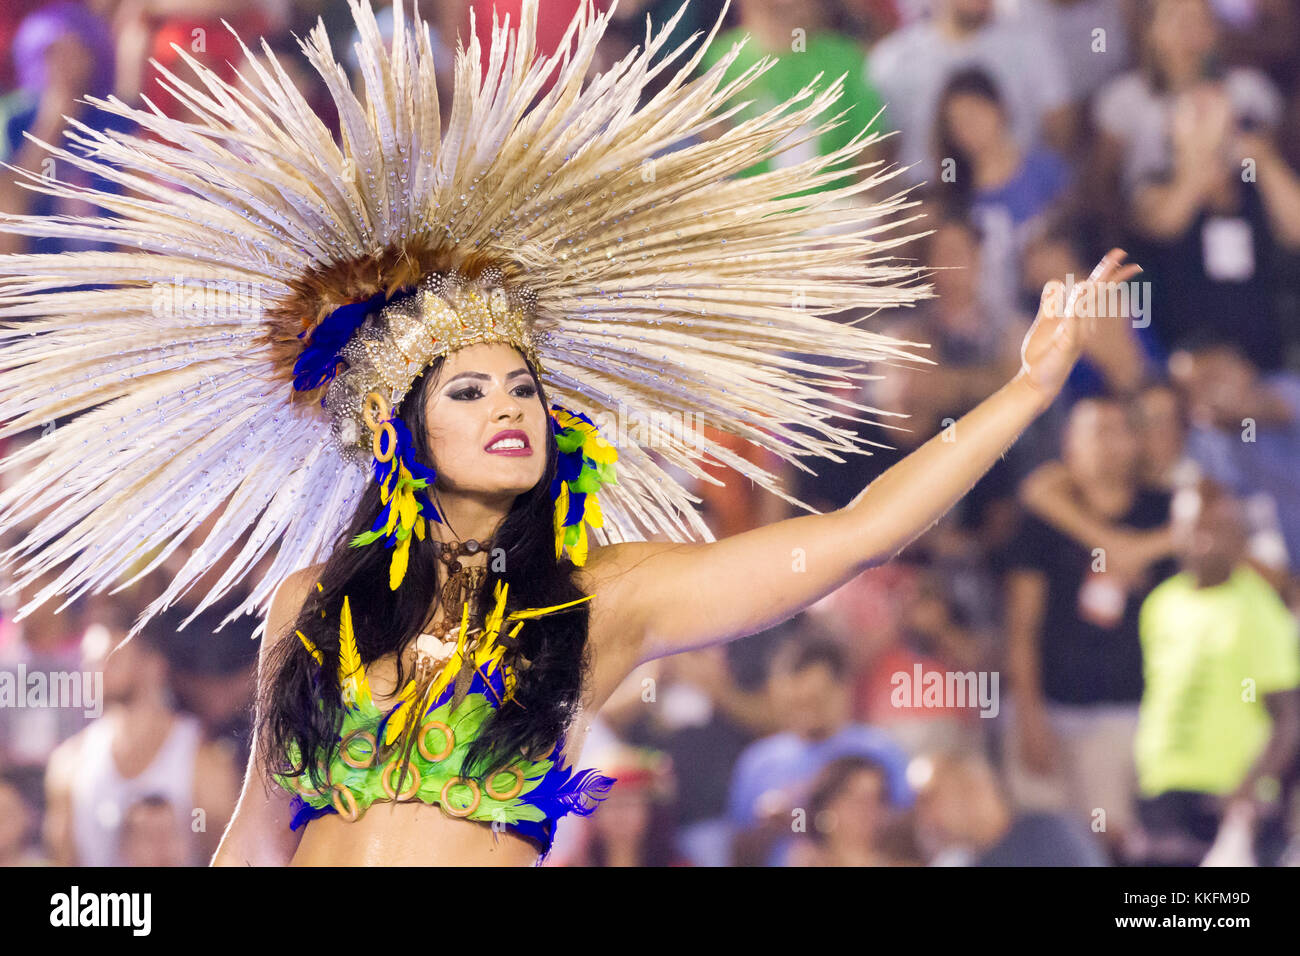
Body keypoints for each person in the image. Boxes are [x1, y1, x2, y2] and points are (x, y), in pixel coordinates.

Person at [0, 0, 1140, 867]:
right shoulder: (306, 602)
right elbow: (253, 835)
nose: (509, 407)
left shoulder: (601, 598)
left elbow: (850, 535)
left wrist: (1024, 393)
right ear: (399, 430)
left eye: (521, 388)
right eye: (469, 391)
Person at [1001, 396, 1178, 858]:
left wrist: (1134, 548)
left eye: (1120, 430)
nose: (1109, 443)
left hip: (1127, 712)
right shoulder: (1040, 522)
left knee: (1114, 843)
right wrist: (1029, 717)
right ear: (1069, 444)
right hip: (1052, 709)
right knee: (1045, 843)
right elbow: (1021, 626)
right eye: (1095, 430)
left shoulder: (1168, 511)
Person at [1133, 479, 1300, 866]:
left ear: (1239, 538)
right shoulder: (1161, 604)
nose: (1205, 541)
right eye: (1195, 529)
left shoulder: (1260, 611)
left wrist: (1247, 790)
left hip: (1225, 795)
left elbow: (1288, 717)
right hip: (1161, 787)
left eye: (1218, 530)